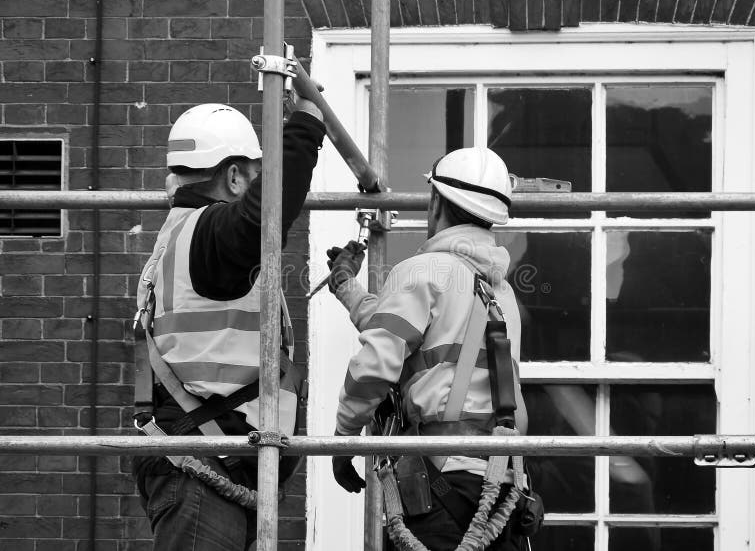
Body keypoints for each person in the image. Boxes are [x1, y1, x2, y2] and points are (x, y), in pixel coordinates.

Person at [133, 97, 325, 551]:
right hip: (202, 460)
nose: (259, 184)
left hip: (209, 455)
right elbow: (264, 217)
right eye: (253, 173)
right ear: (234, 176)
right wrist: (305, 124)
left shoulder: (182, 232)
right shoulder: (209, 232)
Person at [326, 147, 531, 551]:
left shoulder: (419, 273)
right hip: (501, 488)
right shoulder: (503, 293)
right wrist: (348, 288)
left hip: (440, 484)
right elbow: (414, 332)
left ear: (436, 201)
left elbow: (374, 366)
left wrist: (342, 439)